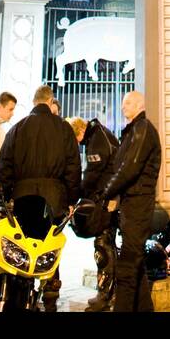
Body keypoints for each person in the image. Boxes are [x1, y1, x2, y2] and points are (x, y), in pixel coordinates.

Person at [0, 84, 81, 312]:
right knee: (49, 248)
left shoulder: (18, 128)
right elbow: (74, 167)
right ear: (50, 102)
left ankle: (20, 294)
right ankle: (50, 295)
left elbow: (4, 166)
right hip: (54, 200)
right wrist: (72, 199)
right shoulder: (63, 129)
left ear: (34, 102)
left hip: (22, 198)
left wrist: (6, 195)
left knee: (22, 248)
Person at [96, 90, 161, 313]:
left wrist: (107, 191)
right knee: (135, 262)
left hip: (138, 204)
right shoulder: (134, 130)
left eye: (128, 103)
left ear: (139, 105)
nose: (123, 107)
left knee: (127, 266)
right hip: (132, 204)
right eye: (123, 103)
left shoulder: (142, 130)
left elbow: (129, 168)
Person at [70, 115, 119, 312]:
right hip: (109, 197)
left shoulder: (97, 140)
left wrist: (79, 192)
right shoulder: (99, 135)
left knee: (103, 247)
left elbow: (93, 174)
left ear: (79, 133)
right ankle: (108, 294)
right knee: (105, 245)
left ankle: (105, 296)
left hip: (106, 200)